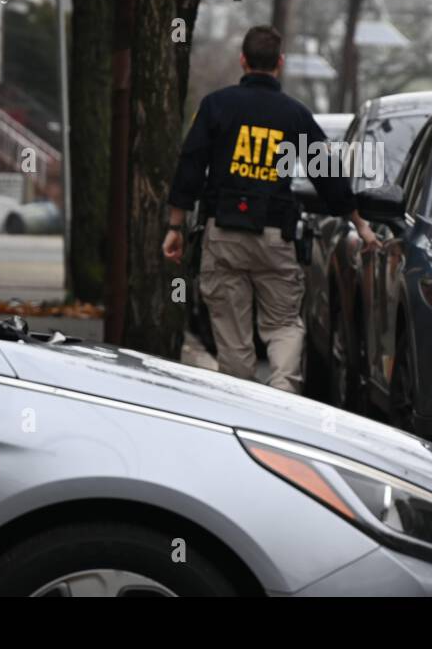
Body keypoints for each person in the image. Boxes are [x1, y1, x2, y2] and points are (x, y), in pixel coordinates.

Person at [162, 25, 378, 393]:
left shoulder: (216, 106)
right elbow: (326, 172)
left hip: (223, 233)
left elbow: (191, 163)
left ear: (243, 61)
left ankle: (244, 405)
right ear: (279, 63)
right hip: (276, 238)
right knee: (282, 325)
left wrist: (176, 225)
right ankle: (283, 394)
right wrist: (360, 223)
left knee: (232, 336)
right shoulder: (294, 115)